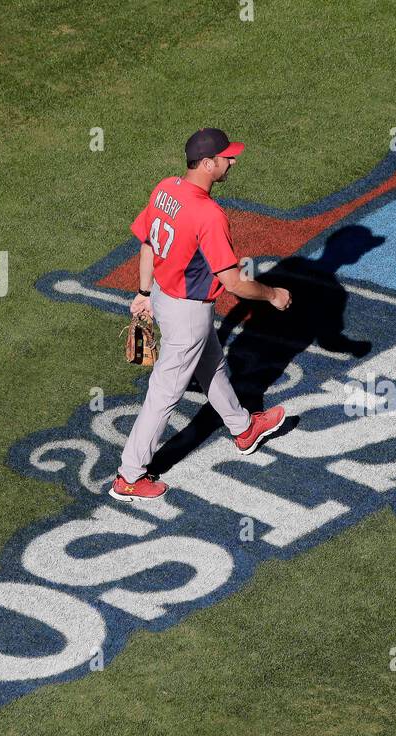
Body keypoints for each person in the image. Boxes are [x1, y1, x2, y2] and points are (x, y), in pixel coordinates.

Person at [111, 128, 292, 503]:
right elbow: (232, 281)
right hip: (187, 313)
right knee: (163, 394)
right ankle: (129, 475)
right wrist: (272, 295)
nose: (233, 162)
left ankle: (243, 429)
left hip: (163, 293)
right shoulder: (208, 213)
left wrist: (144, 292)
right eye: (227, 157)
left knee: (211, 365)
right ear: (208, 164)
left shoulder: (166, 188)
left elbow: (147, 242)